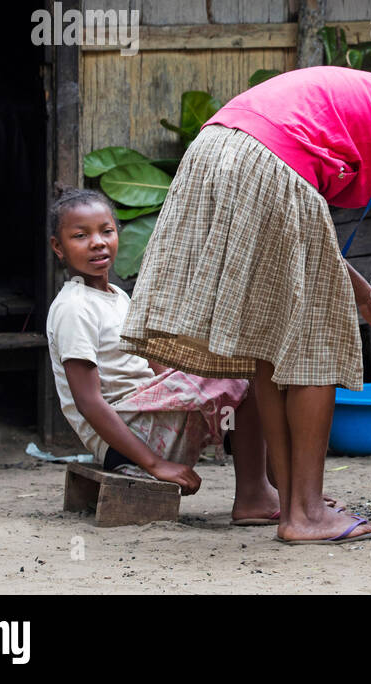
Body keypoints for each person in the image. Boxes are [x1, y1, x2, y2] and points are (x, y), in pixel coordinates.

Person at [119, 38, 371, 544]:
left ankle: (267, 499)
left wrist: (369, 300)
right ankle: (304, 513)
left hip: (221, 149)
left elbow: (312, 234)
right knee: (316, 346)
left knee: (270, 340)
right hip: (262, 159)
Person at [46, 188, 279, 524]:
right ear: (59, 247)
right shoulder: (74, 308)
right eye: (80, 236)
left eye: (106, 231)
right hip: (130, 439)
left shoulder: (118, 298)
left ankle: (276, 488)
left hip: (147, 420)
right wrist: (155, 464)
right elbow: (89, 402)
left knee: (243, 368)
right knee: (247, 374)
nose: (97, 242)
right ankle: (256, 496)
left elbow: (160, 368)